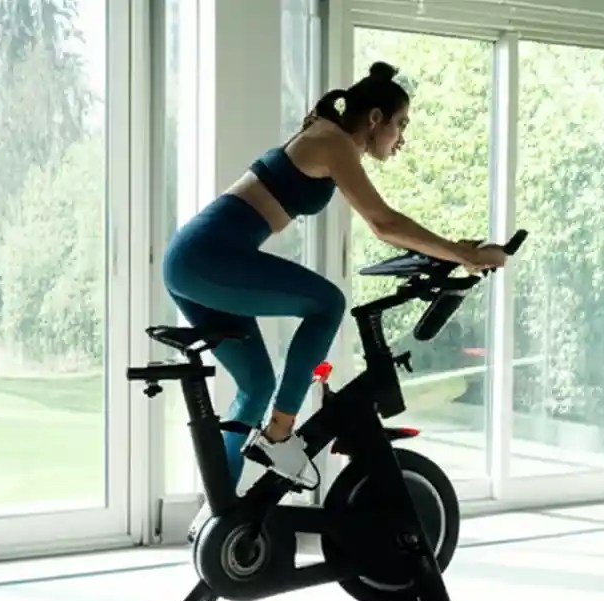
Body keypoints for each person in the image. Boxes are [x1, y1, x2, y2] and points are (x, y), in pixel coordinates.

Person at [162, 61, 508, 524]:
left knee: (257, 384)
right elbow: (383, 222)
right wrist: (462, 256)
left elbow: (387, 222)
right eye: (400, 124)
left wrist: (454, 249)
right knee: (328, 303)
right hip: (206, 257)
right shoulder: (333, 141)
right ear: (374, 119)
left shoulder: (328, 137)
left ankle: (218, 515)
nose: (402, 139)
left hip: (195, 260)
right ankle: (280, 434)